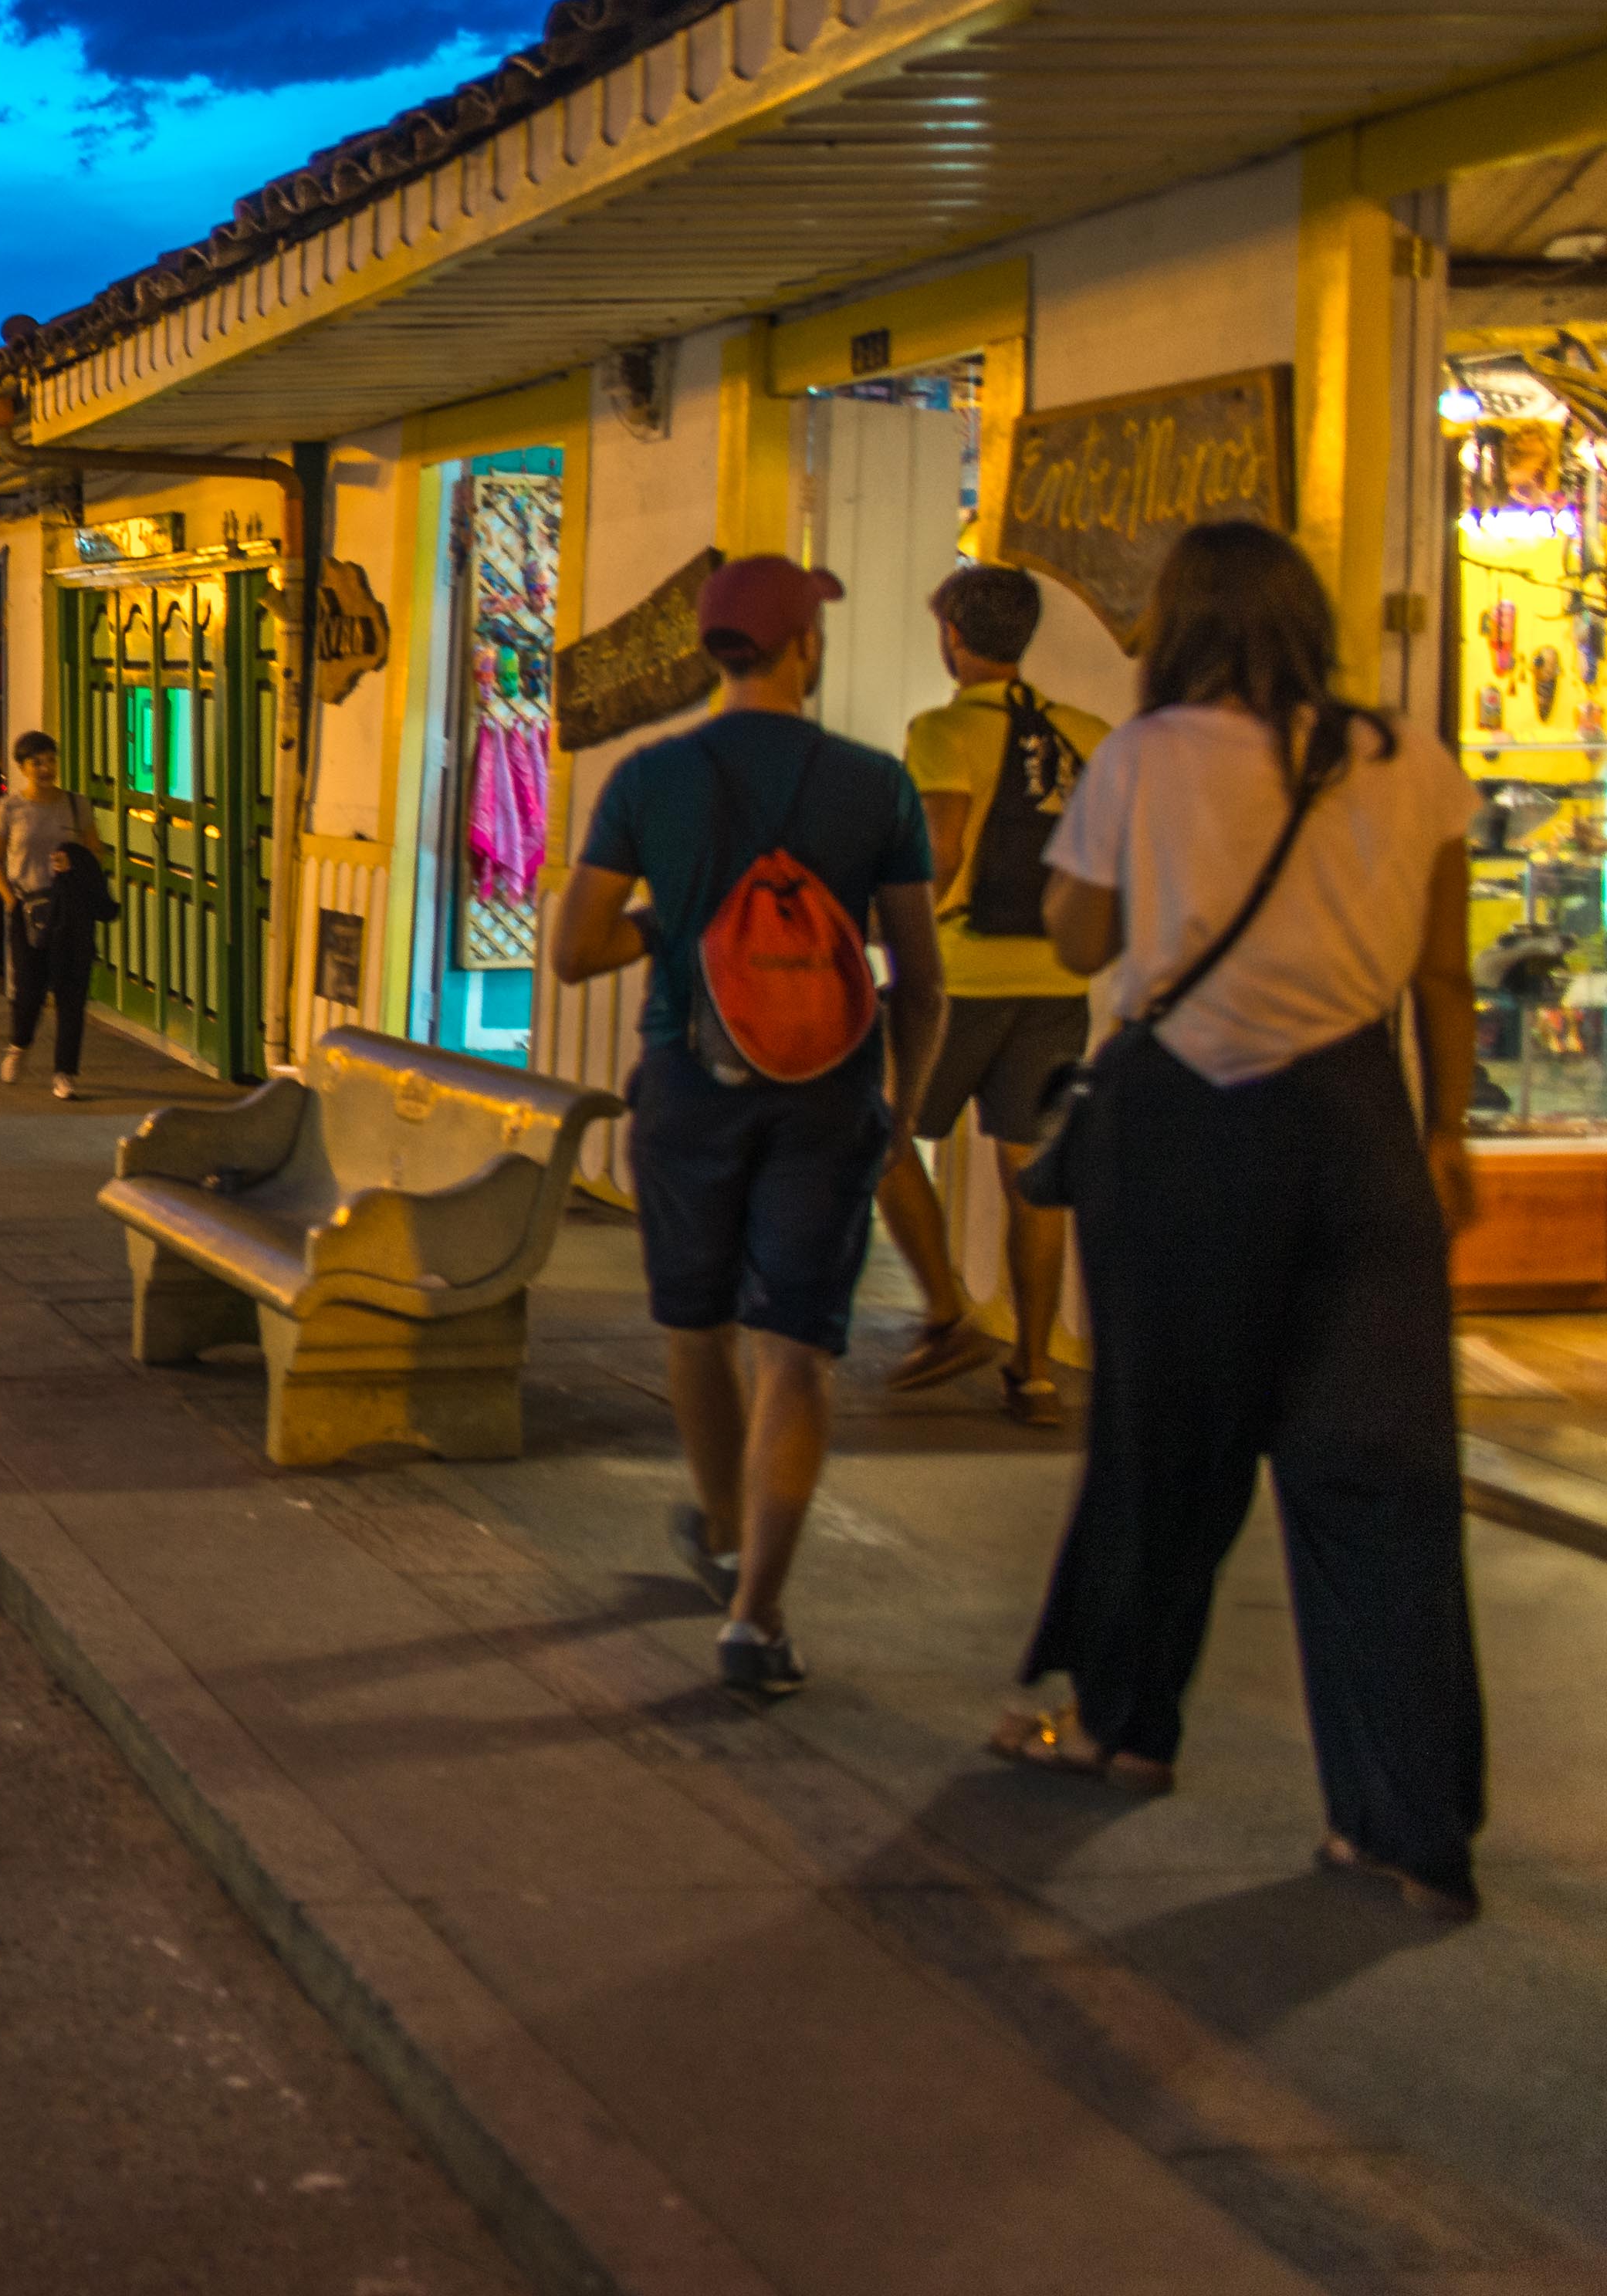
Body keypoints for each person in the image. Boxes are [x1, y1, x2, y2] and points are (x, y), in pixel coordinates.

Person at [998, 522, 1485, 1916]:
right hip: (1356, 1129)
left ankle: (1122, 1725)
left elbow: (1083, 943)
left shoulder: (1144, 760)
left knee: (1165, 1444)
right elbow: (1443, 977)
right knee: (1382, 1476)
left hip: (1184, 1127)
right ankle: (1404, 1829)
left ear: (1177, 627)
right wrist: (1446, 1131)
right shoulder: (1407, 757)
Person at [550, 556, 943, 1703]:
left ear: (714, 654)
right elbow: (920, 976)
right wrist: (902, 1105)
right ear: (800, 648)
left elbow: (574, 952)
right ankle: (756, 1613)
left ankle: (723, 1532)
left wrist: (669, 917)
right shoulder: (876, 786)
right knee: (799, 1350)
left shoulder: (650, 779)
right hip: (831, 1090)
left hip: (688, 1077)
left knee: (697, 1323)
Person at [878, 563, 1111, 1428]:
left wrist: (888, 932)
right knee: (1033, 1172)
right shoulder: (1086, 732)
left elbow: (938, 850)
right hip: (1057, 980)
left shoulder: (942, 731)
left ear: (953, 638)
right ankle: (1035, 1369)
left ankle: (945, 1314)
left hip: (962, 977)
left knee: (880, 1128)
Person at [0, 731, 103, 1090]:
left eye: (50, 760)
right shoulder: (10, 808)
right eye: (36, 762)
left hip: (69, 910)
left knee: (71, 993)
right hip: (27, 907)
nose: (45, 768)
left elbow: (96, 852)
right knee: (29, 991)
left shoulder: (75, 805)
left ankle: (64, 1072)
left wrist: (75, 860)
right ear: (22, 768)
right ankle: (19, 1045)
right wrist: (10, 899)